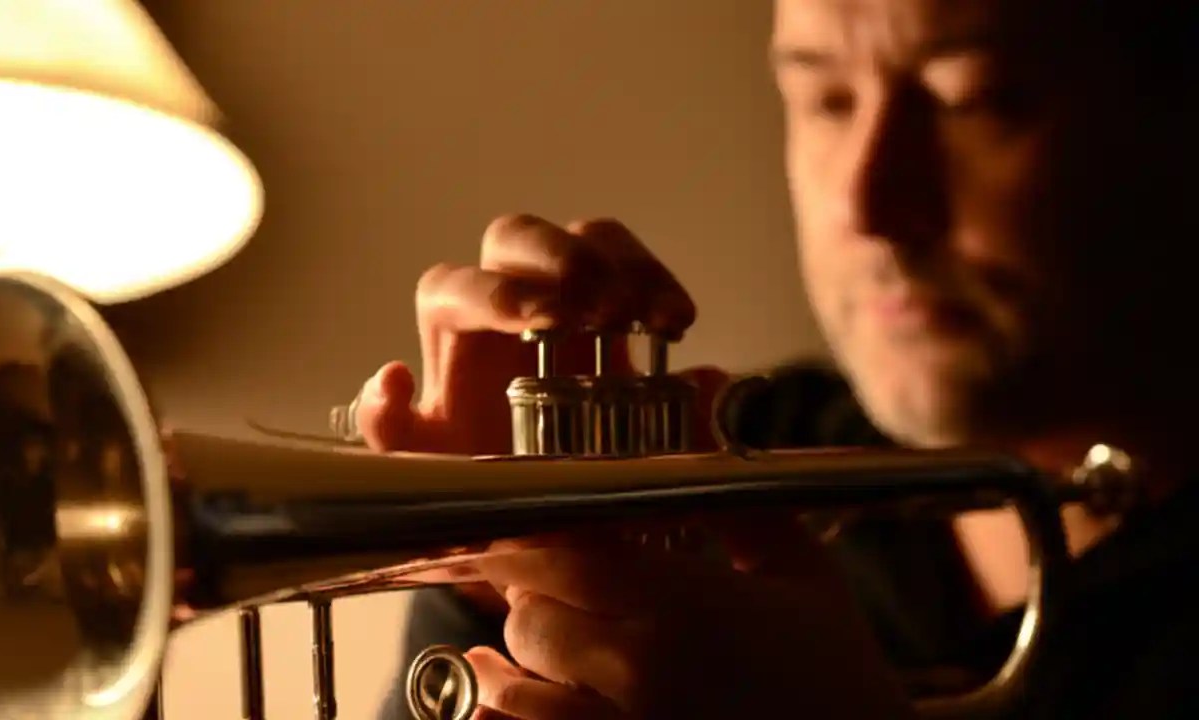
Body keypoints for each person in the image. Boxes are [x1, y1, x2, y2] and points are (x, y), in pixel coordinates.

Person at [353, 0, 1198, 717]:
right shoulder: (743, 449)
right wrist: (489, 570)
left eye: (971, 100)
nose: (865, 202)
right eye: (827, 99)